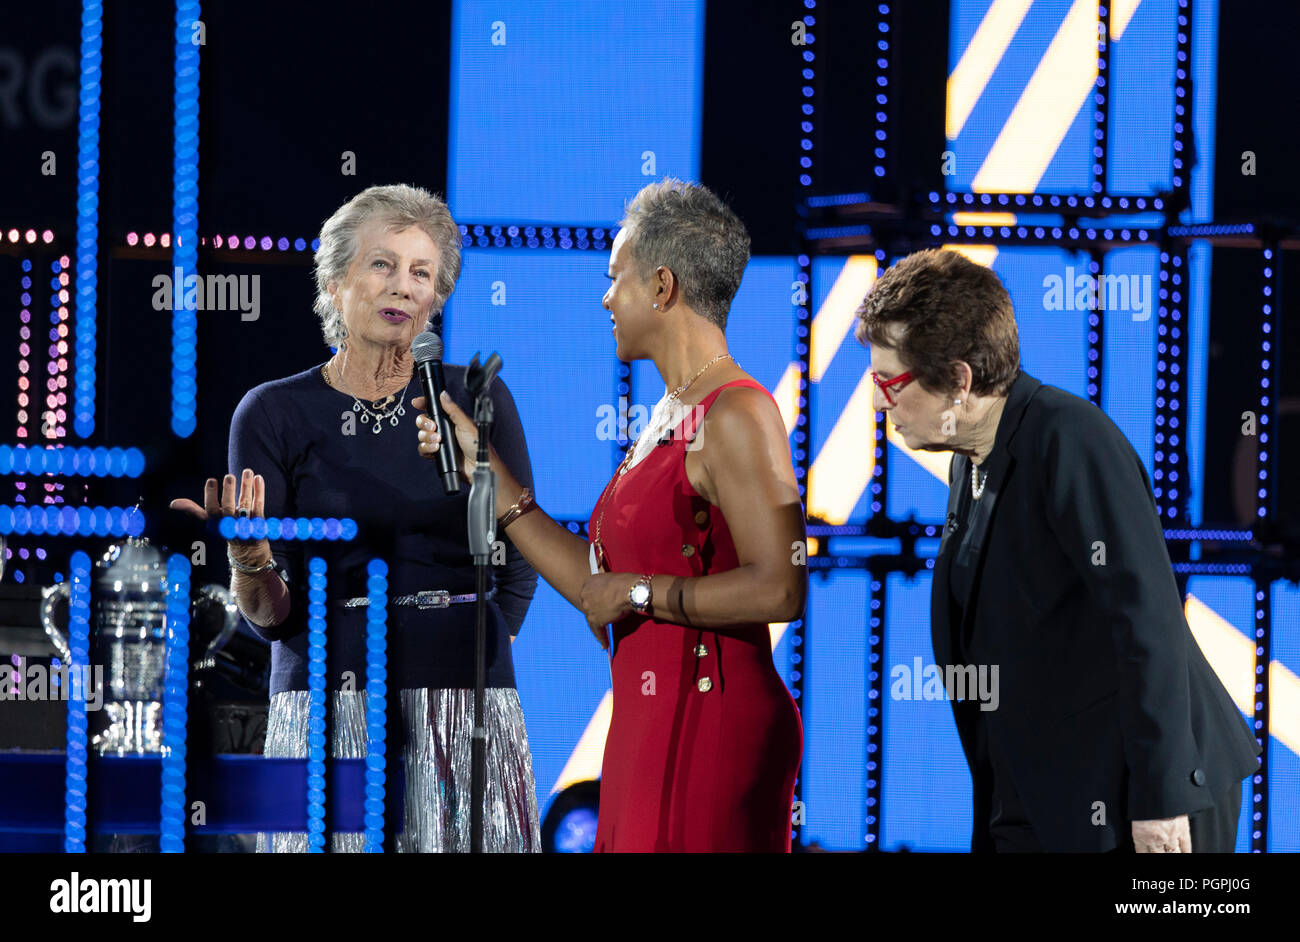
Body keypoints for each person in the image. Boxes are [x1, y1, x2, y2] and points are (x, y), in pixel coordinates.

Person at [416, 178, 806, 852]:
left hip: (711, 719)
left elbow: (781, 585)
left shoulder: (738, 412)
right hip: (648, 718)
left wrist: (641, 591)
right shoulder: (670, 416)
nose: (605, 298)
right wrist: (490, 477)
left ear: (661, 286)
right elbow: (598, 585)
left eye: (614, 277)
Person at [170, 184, 542, 852]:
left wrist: (474, 646)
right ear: (337, 282)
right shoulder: (273, 412)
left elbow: (520, 556)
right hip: (326, 700)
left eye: (421, 273)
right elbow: (272, 618)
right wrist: (249, 557)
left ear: (435, 300)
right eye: (383, 264)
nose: (403, 286)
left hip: (466, 699)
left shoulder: (472, 398)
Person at [854, 248, 1261, 852]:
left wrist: (1160, 801)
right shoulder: (974, 458)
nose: (879, 401)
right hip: (1048, 790)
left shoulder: (1069, 439)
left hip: (1138, 799)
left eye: (889, 381)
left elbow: (1147, 623)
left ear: (960, 381)